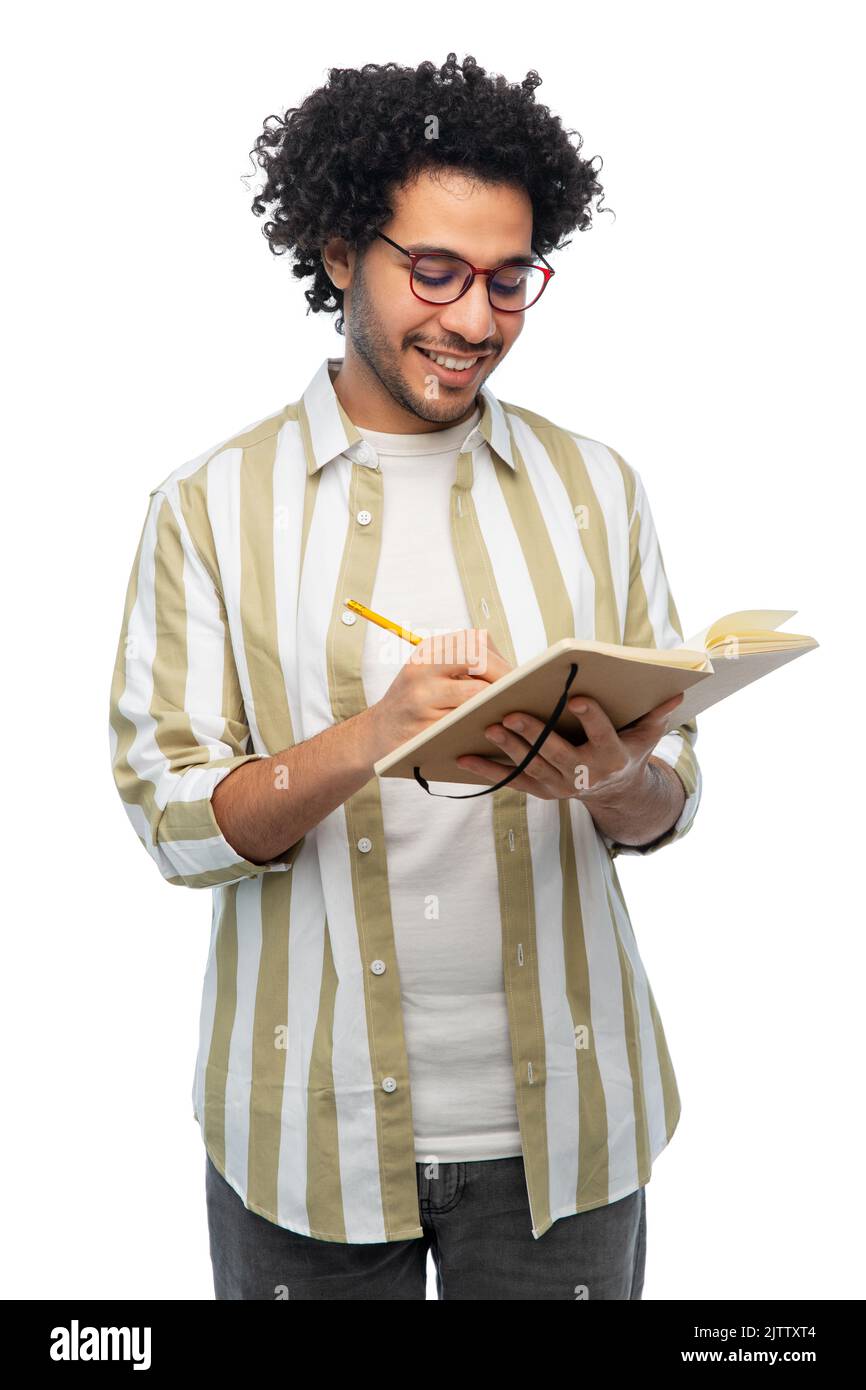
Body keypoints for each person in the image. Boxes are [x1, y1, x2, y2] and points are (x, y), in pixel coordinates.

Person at [109, 52, 701, 1301]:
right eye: (433, 271)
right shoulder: (208, 508)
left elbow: (670, 799)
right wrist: (367, 739)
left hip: (568, 1134)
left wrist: (616, 775)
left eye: (507, 280)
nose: (473, 320)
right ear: (337, 251)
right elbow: (172, 820)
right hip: (303, 1134)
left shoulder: (599, 492)